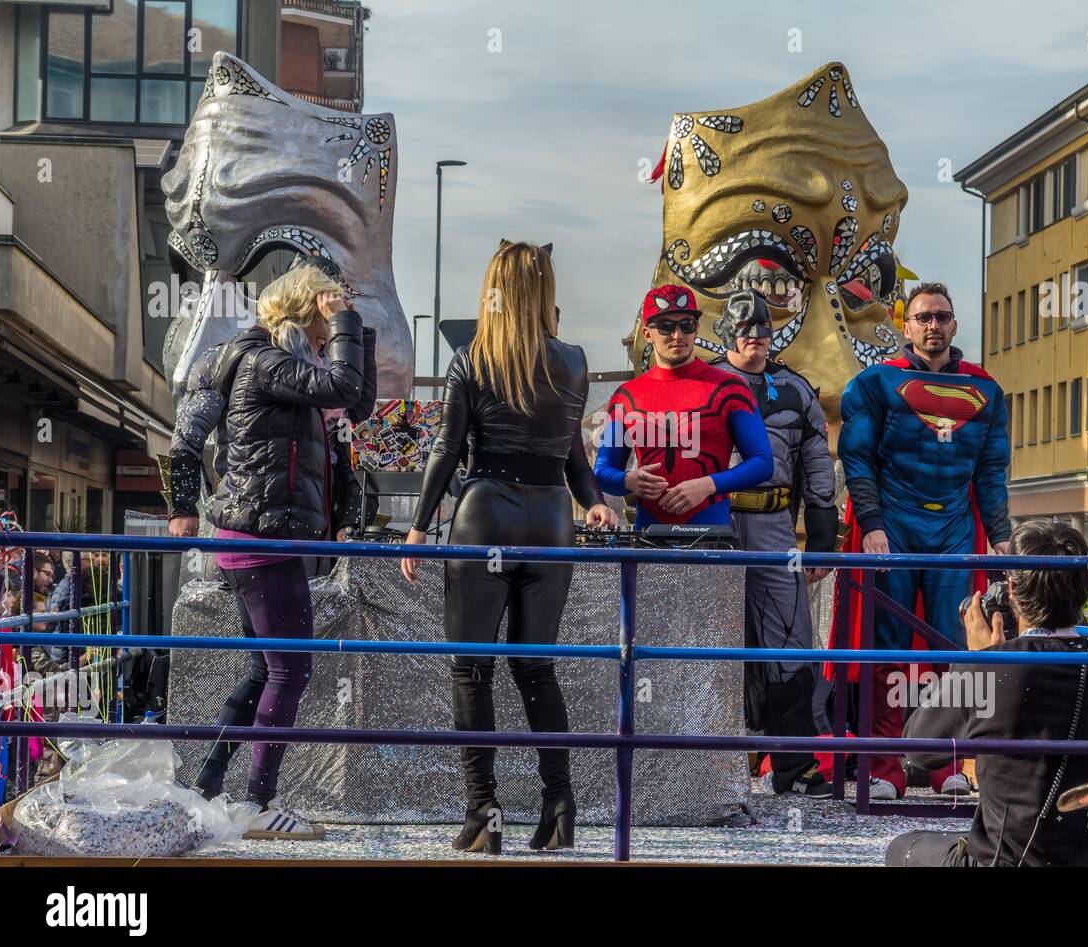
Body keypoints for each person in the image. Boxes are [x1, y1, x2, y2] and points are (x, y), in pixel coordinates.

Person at [400, 242, 617, 855]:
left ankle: (483, 812)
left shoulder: (473, 358)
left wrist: (418, 525)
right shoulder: (572, 360)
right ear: (547, 288)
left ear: (493, 287)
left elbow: (446, 448)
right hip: (551, 520)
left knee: (472, 669)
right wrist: (593, 498)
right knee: (536, 667)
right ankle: (559, 804)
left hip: (486, 514)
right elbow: (574, 451)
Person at [168, 258, 378, 806]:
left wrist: (356, 327)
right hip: (263, 538)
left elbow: (355, 401)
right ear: (307, 310)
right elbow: (340, 384)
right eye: (321, 323)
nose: (323, 335)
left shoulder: (273, 359)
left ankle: (209, 781)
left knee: (266, 669)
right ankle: (258, 802)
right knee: (291, 671)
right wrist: (345, 330)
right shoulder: (266, 361)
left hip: (256, 537)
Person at [885, 520, 1088, 867]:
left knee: (902, 848)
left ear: (1011, 590)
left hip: (1013, 858)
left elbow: (919, 751)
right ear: (1087, 588)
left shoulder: (990, 669)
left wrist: (974, 662)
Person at [836, 281, 1009, 801]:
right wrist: (871, 524)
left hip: (955, 526)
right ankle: (885, 765)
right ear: (905, 326)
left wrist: (1000, 535)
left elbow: (992, 468)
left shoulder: (988, 391)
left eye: (942, 317)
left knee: (952, 649)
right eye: (923, 317)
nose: (933, 326)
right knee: (885, 649)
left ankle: (946, 764)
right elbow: (858, 459)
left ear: (954, 325)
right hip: (894, 522)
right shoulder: (873, 385)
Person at [707, 290, 838, 799]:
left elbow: (817, 462)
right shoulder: (705, 384)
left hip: (773, 527)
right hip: (713, 525)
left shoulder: (794, 389)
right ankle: (706, 765)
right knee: (707, 645)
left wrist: (823, 533)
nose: (755, 341)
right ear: (727, 335)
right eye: (745, 333)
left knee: (791, 640)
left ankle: (793, 764)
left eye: (762, 332)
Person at [594, 283, 773, 528]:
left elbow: (762, 462)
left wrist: (707, 485)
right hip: (649, 537)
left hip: (712, 540)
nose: (678, 335)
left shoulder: (731, 388)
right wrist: (629, 481)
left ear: (696, 328)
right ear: (647, 334)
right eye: (666, 327)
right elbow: (603, 470)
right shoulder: (626, 396)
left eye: (686, 325)